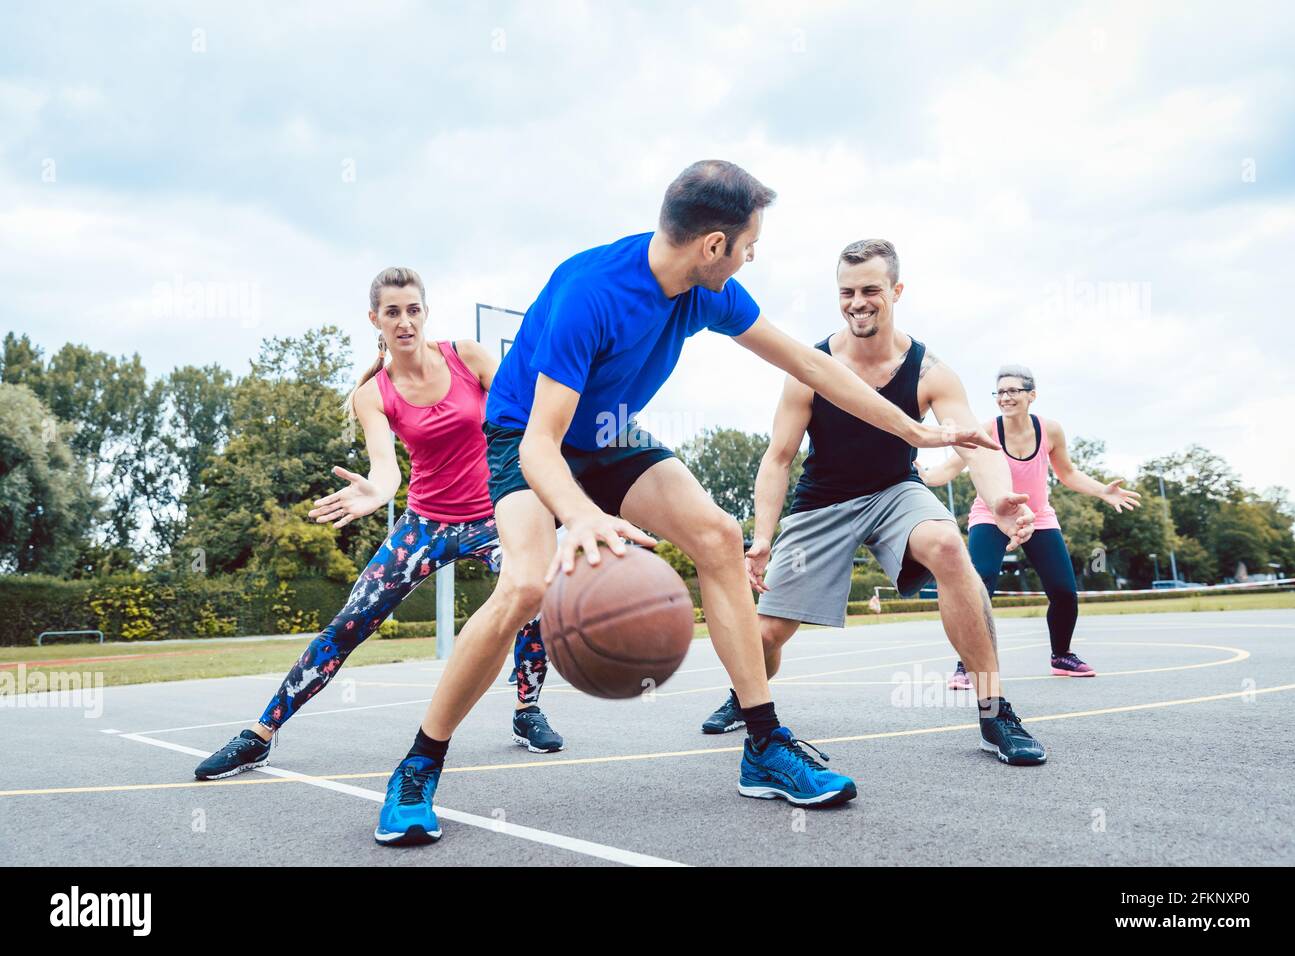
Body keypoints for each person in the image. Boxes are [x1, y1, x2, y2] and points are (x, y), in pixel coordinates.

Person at [374, 161, 1002, 847]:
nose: (750, 256)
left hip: (609, 433)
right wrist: (579, 516)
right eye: (748, 244)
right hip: (526, 436)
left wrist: (913, 429)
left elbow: (813, 365)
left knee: (716, 535)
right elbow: (539, 448)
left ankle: (763, 743)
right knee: (524, 584)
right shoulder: (592, 292)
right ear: (712, 245)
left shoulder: (705, 293)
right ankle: (418, 765)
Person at [193, 267, 564, 784]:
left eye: (413, 310)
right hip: (425, 525)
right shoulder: (373, 394)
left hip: (492, 516)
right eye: (393, 312)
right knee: (348, 624)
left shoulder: (469, 356)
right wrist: (375, 490)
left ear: (425, 312)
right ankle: (259, 734)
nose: (405, 321)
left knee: (533, 596)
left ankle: (527, 709)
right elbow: (386, 471)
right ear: (376, 320)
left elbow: (516, 420)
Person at [697, 238, 1047, 767]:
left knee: (949, 547)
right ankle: (745, 693)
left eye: (870, 291)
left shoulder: (930, 371)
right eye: (847, 292)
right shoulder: (810, 367)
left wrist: (1000, 499)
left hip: (895, 491)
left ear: (896, 291)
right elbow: (778, 457)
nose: (857, 302)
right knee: (767, 633)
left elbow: (974, 442)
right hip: (821, 504)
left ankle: (994, 711)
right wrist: (764, 535)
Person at [918, 364, 1141, 685]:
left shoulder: (1050, 431)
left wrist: (1103, 491)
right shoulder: (987, 430)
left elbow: (1068, 474)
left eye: (1013, 391)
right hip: (991, 516)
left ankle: (1062, 655)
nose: (1005, 398)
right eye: (1000, 392)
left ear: (1031, 395)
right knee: (979, 587)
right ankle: (967, 665)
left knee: (1064, 591)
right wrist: (924, 476)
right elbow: (951, 469)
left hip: (1038, 517)